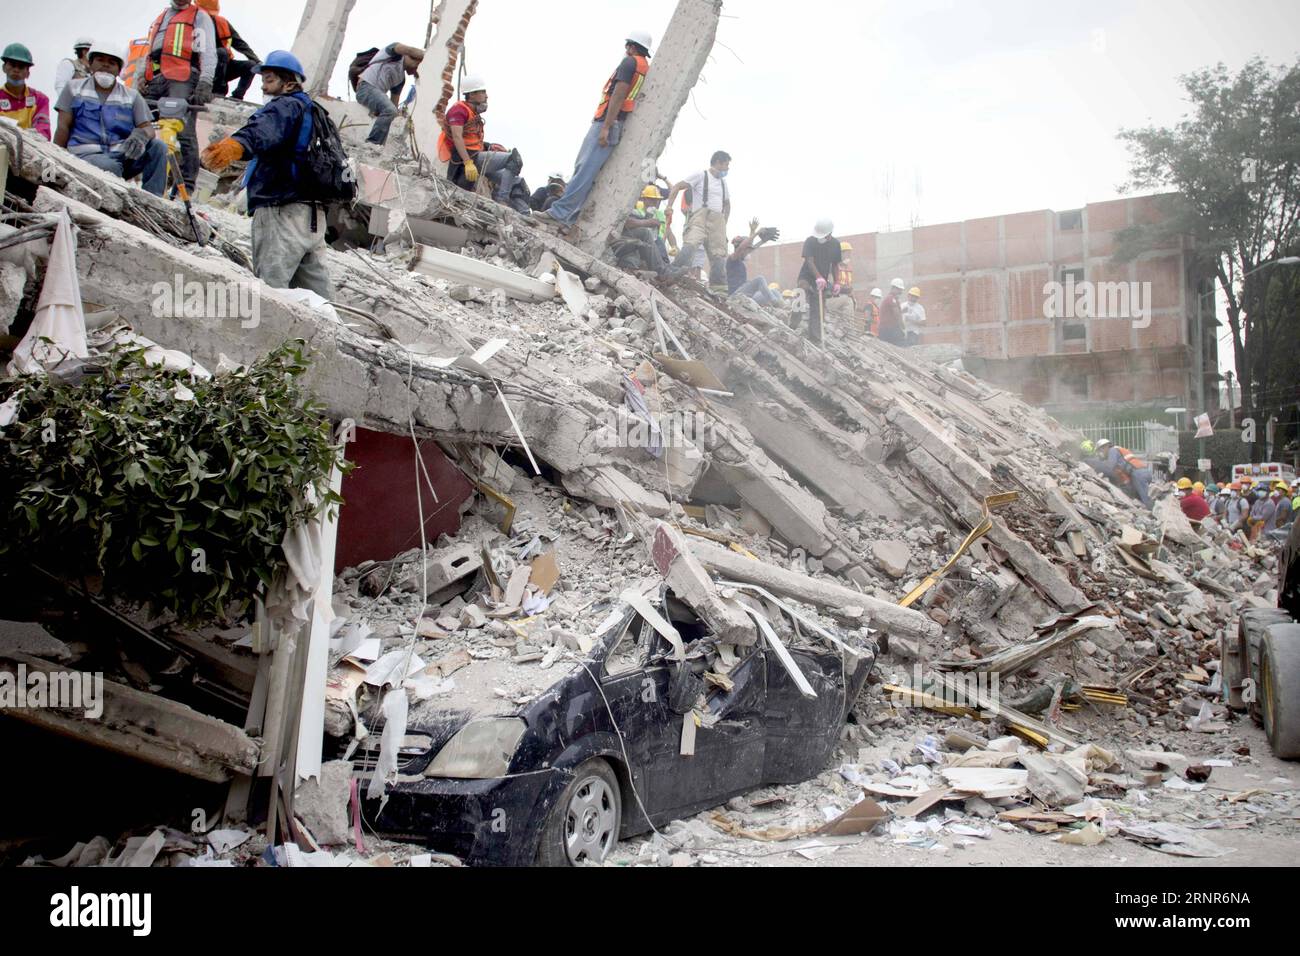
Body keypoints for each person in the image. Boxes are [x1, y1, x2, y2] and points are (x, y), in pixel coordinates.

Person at [200, 51, 333, 300]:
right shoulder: (315, 112)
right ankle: (332, 336)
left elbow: (264, 130)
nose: (263, 85)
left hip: (281, 207)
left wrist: (236, 145)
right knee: (319, 297)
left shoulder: (285, 105)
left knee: (271, 291)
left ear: (290, 81)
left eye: (269, 79)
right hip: (312, 214)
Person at [539, 30, 652, 229]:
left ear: (631, 46)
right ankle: (570, 216)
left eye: (627, 46)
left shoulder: (629, 63)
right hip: (615, 121)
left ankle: (560, 213)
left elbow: (618, 94)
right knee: (588, 172)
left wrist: (606, 127)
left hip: (607, 121)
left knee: (584, 170)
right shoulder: (643, 66)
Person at [54, 43, 168, 196]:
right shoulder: (73, 89)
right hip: (85, 157)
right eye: (100, 60)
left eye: (112, 63)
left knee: (158, 147)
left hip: (122, 155)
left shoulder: (131, 96)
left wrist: (140, 136)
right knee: (109, 167)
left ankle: (154, 198)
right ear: (90, 63)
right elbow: (63, 127)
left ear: (119, 69)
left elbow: (147, 128)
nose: (106, 65)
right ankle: (118, 195)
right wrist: (56, 159)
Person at [137, 0, 218, 192]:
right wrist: (141, 76)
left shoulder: (199, 16)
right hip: (156, 78)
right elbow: (149, 51)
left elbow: (208, 52)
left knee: (183, 130)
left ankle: (186, 186)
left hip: (182, 78)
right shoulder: (162, 16)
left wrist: (205, 82)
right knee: (138, 123)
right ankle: (137, 175)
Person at [436, 75, 527, 213]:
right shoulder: (459, 109)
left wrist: (488, 146)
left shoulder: (473, 113)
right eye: (482, 92)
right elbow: (457, 136)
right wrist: (467, 162)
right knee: (513, 158)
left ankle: (521, 211)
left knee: (515, 181)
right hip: (469, 159)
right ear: (472, 94)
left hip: (475, 156)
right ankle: (502, 201)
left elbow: (470, 138)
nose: (486, 96)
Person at [664, 151, 733, 292]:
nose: (727, 169)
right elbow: (677, 186)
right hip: (700, 217)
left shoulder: (723, 183)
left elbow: (727, 204)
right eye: (726, 165)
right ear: (718, 162)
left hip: (717, 221)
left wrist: (723, 224)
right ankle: (671, 275)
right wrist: (669, 206)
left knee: (718, 255)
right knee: (690, 245)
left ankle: (719, 290)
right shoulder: (701, 175)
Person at [355, 42, 423, 145]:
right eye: (418, 66)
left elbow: (394, 104)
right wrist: (429, 56)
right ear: (414, 59)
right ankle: (372, 144)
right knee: (390, 110)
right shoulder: (393, 54)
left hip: (375, 94)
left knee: (391, 110)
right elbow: (409, 50)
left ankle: (378, 144)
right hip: (365, 87)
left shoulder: (401, 79)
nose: (415, 72)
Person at [790, 218, 842, 345]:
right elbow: (809, 261)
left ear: (830, 233)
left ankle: (815, 338)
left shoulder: (835, 244)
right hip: (807, 276)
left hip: (822, 280)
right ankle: (792, 325)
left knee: (818, 310)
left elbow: (835, 265)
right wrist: (818, 276)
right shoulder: (810, 241)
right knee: (801, 291)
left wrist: (836, 282)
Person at [197, 0, 260, 101]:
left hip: (224, 66)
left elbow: (240, 43)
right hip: (201, 68)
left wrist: (257, 61)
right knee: (221, 52)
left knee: (250, 65)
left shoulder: (222, 23)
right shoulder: (193, 23)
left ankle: (237, 97)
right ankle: (218, 92)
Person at [613, 185, 671, 274]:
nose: (655, 203)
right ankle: (662, 272)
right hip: (619, 244)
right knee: (645, 233)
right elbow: (626, 222)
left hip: (633, 246)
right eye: (652, 199)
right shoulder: (634, 208)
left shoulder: (657, 214)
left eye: (657, 200)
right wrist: (647, 222)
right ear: (644, 199)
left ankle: (666, 267)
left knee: (656, 239)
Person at [727, 220, 782, 307]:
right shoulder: (732, 259)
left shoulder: (741, 260)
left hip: (746, 296)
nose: (748, 251)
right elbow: (742, 247)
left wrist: (763, 241)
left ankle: (784, 308)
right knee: (759, 279)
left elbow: (751, 247)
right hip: (735, 296)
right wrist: (756, 233)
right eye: (746, 249)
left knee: (774, 291)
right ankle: (775, 302)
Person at [1, 44, 51, 139]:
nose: (16, 70)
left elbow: (43, 132)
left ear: (28, 73)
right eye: (12, 64)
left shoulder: (40, 99)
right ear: (4, 68)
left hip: (31, 149)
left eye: (21, 67)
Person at [1095, 439, 1153, 508]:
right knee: (1139, 497)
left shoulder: (1112, 451)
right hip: (1142, 473)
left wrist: (1097, 467)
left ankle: (1155, 515)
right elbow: (1125, 480)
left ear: (1105, 447)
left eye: (1100, 451)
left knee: (1145, 498)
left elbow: (1109, 466)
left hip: (1138, 474)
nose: (1100, 453)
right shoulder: (1118, 453)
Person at [53, 38, 93, 103]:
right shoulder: (69, 64)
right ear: (85, 52)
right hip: (73, 108)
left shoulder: (93, 72)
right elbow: (61, 86)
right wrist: (69, 107)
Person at [878, 278, 907, 346]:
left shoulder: (892, 299)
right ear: (894, 288)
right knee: (900, 345)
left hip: (887, 329)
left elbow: (893, 313)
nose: (901, 292)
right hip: (888, 329)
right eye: (900, 290)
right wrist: (903, 328)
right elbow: (897, 315)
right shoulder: (891, 299)